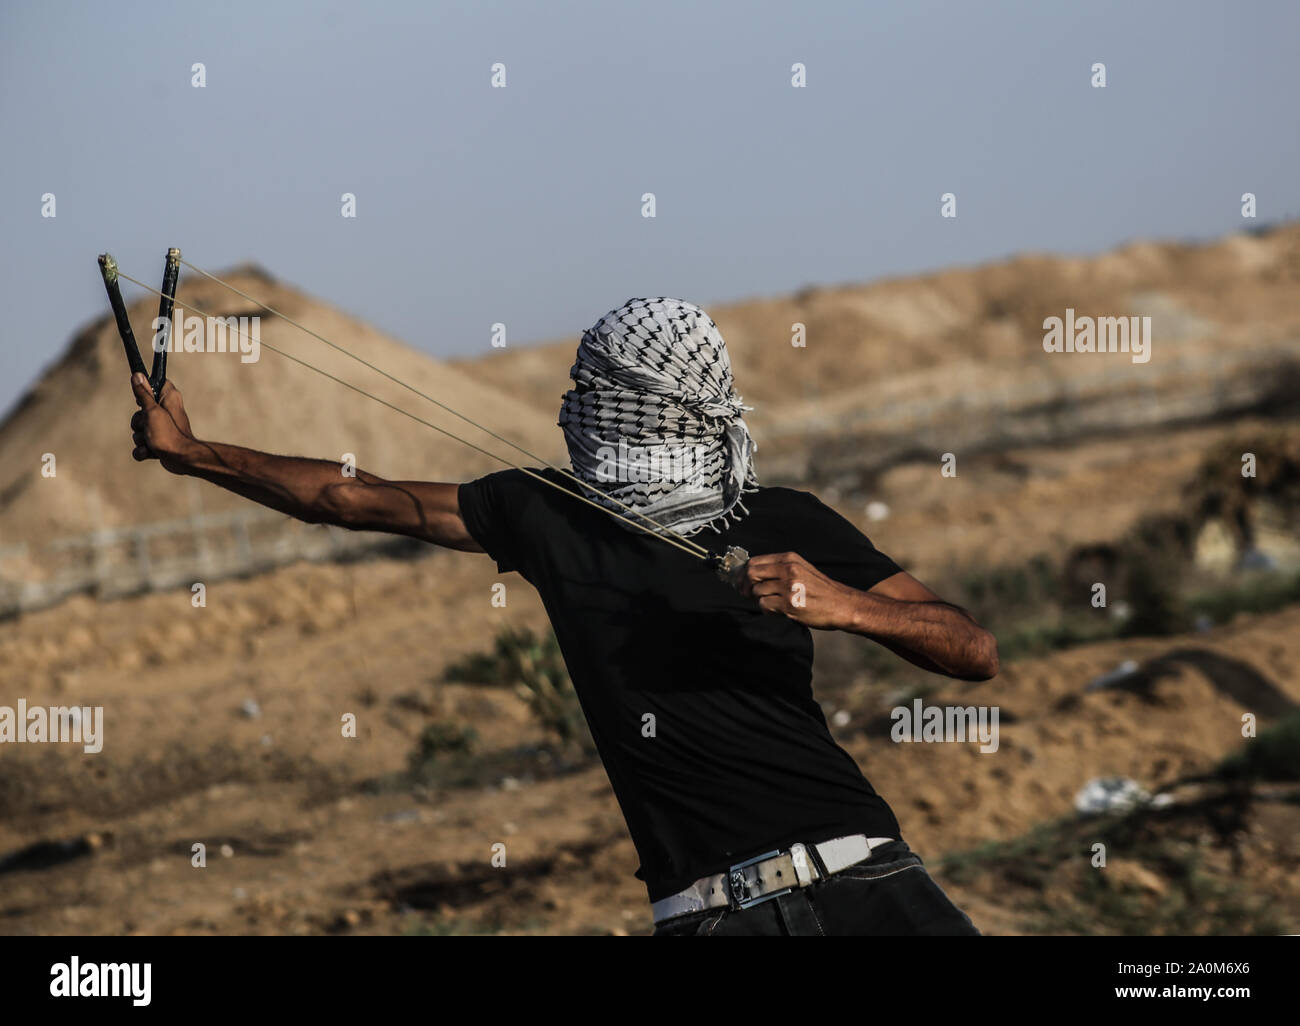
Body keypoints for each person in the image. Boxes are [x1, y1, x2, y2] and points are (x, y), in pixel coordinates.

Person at [128, 297, 996, 936]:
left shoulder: (788, 519)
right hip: (707, 915)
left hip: (867, 879)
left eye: (596, 386)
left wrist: (848, 606)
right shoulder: (548, 512)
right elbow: (352, 498)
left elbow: (973, 649)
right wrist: (195, 454)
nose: (576, 401)